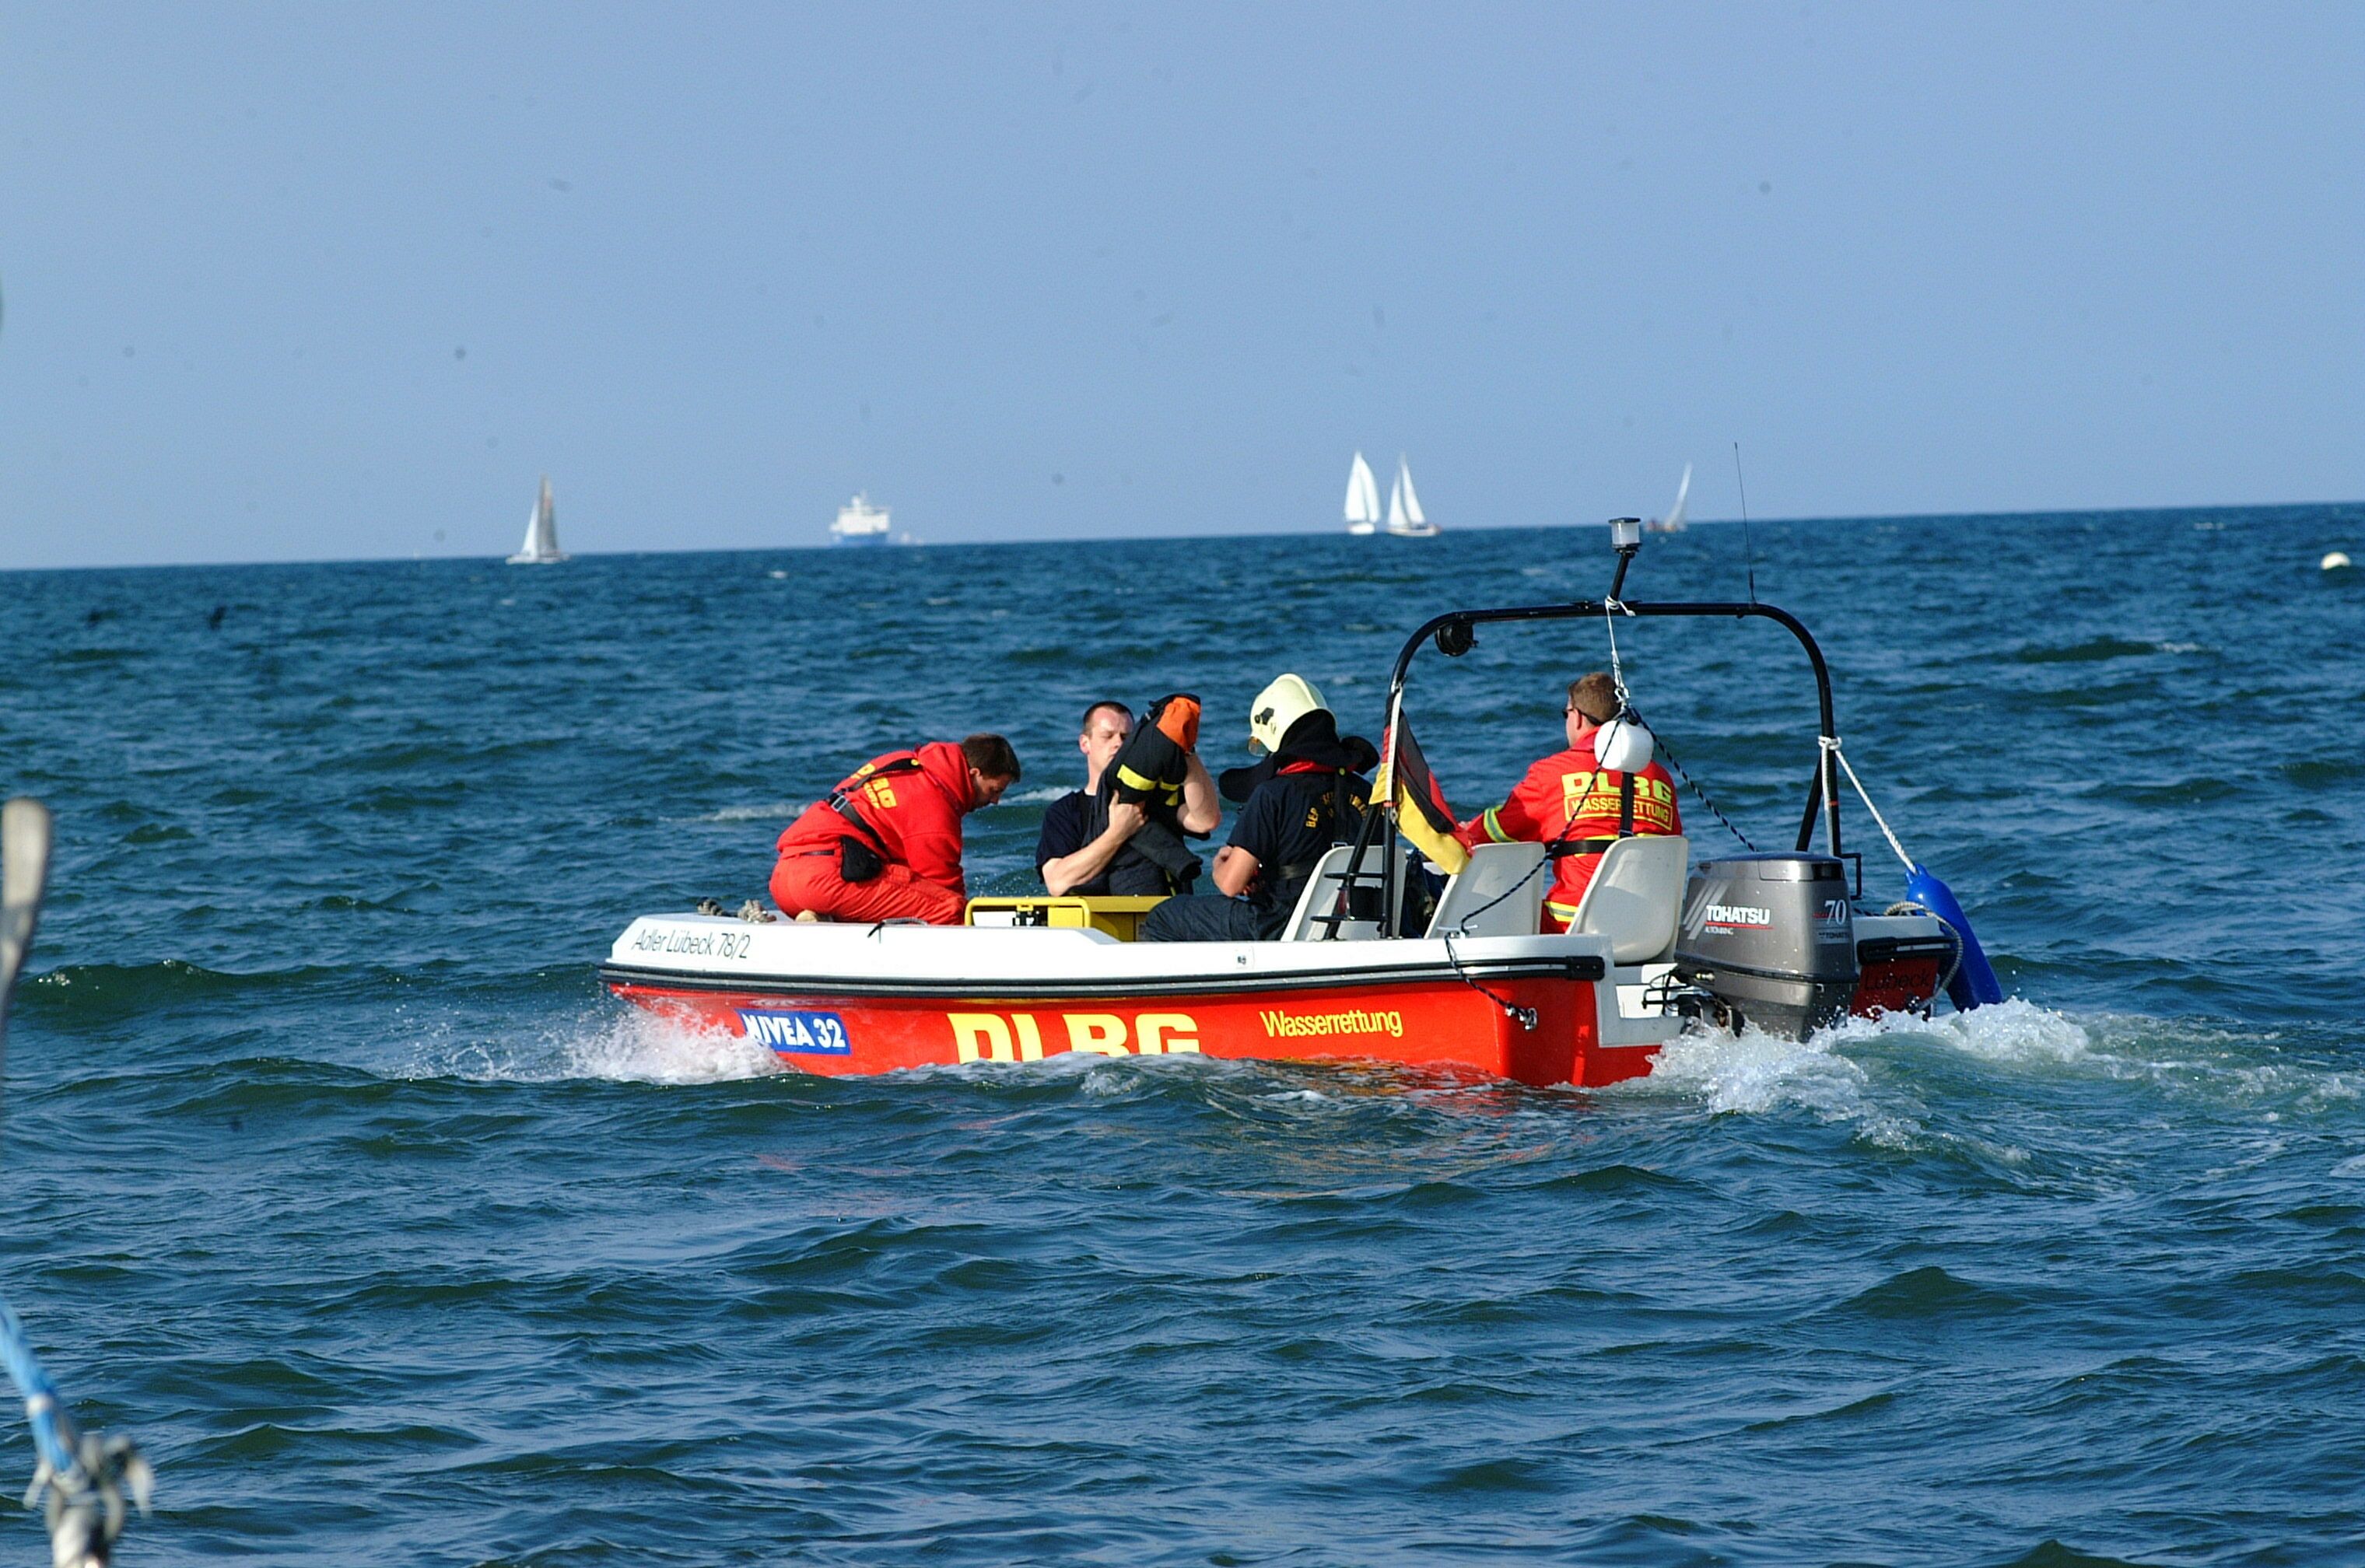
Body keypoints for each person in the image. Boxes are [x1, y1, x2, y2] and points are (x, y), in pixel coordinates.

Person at [1139, 674, 1375, 942]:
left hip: (1281, 924)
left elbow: (1230, 884)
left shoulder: (1274, 794)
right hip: (1355, 921)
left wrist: (1220, 863)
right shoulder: (1365, 792)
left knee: (1164, 916)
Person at [1454, 672, 1680, 932]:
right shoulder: (1660, 778)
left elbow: (1493, 833)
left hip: (1572, 929)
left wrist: (1463, 831)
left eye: (1566, 714)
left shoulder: (1553, 773)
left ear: (1578, 717)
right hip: (1650, 930)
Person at [769, 734, 1021, 925]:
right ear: (975, 774)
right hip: (828, 880)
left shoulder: (900, 762)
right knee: (950, 908)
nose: (995, 801)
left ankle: (822, 919)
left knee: (903, 887)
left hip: (784, 880)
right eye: (995, 790)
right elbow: (943, 889)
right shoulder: (935, 803)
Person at [1036, 698, 1219, 896]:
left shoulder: (1155, 797)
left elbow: (1206, 821)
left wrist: (1185, 748)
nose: (1118, 743)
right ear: (1085, 744)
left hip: (1165, 916)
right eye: (1107, 736)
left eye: (1126, 737)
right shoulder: (1064, 811)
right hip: (1096, 921)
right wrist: (1118, 832)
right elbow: (1057, 882)